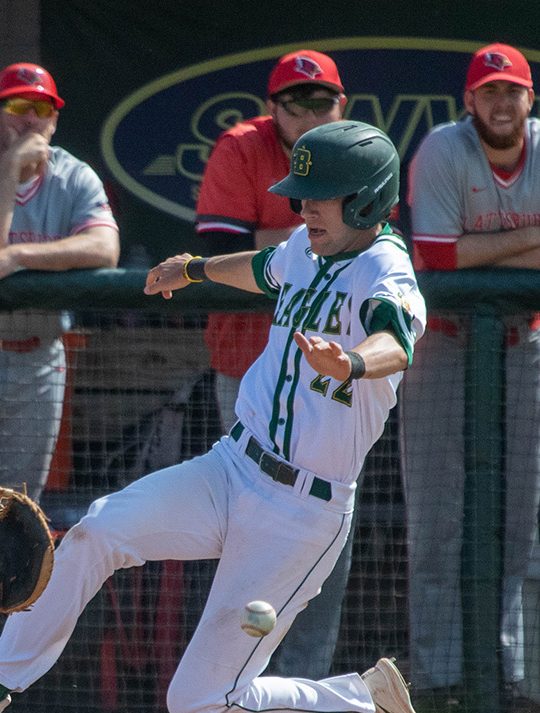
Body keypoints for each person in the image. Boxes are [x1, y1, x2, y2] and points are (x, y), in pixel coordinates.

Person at [0, 121, 434, 713]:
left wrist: (355, 364)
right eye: (300, 194)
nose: (302, 207)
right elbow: (262, 268)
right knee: (94, 531)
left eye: (318, 196)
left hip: (300, 511)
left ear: (364, 200)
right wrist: (193, 269)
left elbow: (396, 340)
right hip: (231, 468)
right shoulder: (304, 248)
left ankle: (362, 701)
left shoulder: (384, 266)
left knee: (201, 706)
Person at [402, 43, 540, 707]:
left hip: (524, 342)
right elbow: (433, 256)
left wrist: (481, 254)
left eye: (510, 91)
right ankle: (437, 680)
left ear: (529, 100)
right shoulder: (442, 148)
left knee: (513, 521)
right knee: (437, 521)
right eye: (488, 92)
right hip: (441, 344)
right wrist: (534, 237)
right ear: (469, 102)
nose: (499, 102)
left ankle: (502, 675)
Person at [194, 47, 353, 681]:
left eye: (323, 102)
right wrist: (321, 237)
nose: (311, 113)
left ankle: (306, 678)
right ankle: (234, 670)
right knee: (243, 520)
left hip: (328, 374)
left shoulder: (357, 152)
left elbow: (372, 246)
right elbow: (218, 247)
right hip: (247, 365)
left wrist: (279, 240)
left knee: (324, 524)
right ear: (274, 109)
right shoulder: (240, 148)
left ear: (342, 106)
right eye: (298, 103)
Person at [0, 62, 119, 503]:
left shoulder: (74, 175)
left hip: (40, 357)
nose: (30, 118)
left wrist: (17, 257)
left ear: (54, 119)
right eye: (17, 106)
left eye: (42, 108)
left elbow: (105, 249)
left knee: (15, 501)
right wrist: (10, 168)